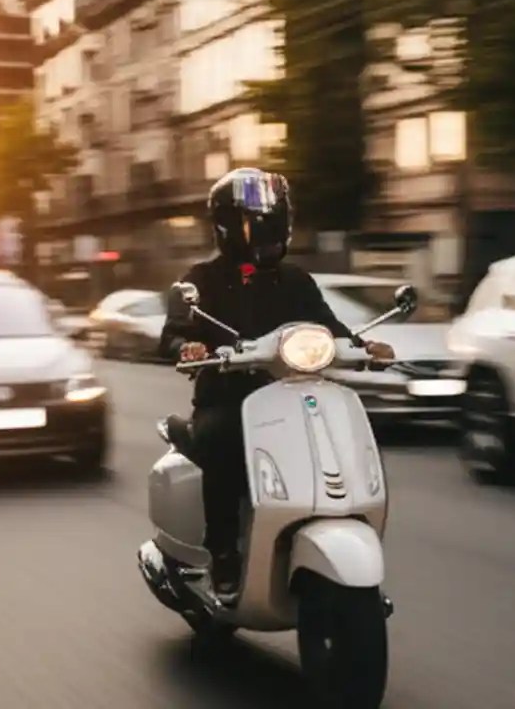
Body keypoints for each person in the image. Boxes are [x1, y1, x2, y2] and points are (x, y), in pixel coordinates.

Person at [158, 167, 395, 594]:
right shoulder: (202, 279)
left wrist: (363, 346)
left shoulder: (296, 281)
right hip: (229, 398)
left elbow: (328, 326)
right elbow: (174, 332)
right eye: (256, 221)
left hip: (292, 392)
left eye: (274, 220)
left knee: (338, 434)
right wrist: (187, 349)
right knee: (221, 440)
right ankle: (224, 553)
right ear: (228, 226)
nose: (267, 230)